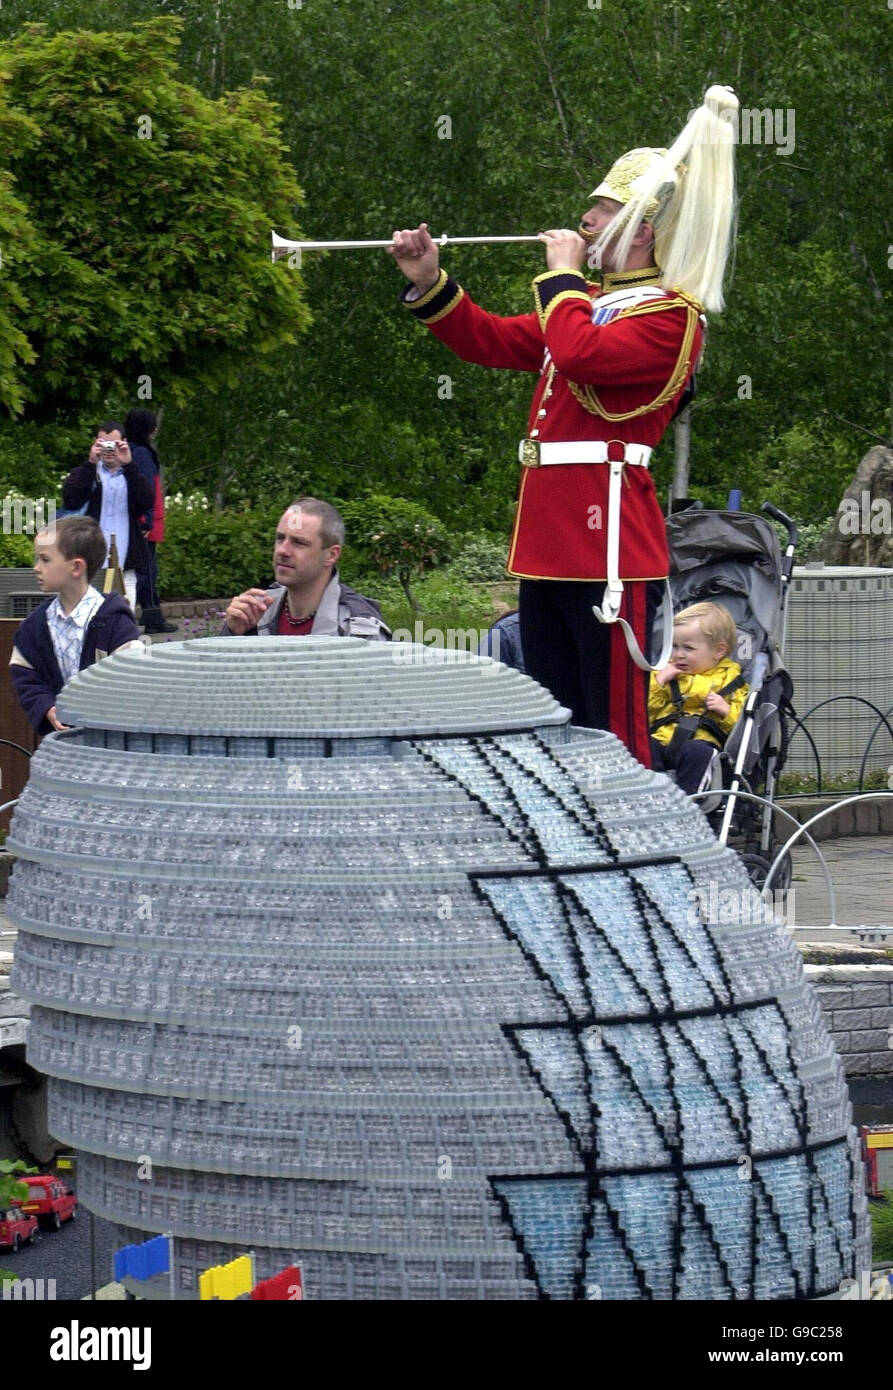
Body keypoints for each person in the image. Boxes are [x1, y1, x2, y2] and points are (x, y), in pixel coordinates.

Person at [390, 85, 739, 764]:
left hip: (608, 549)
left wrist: (561, 276)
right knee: (551, 722)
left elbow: (580, 353)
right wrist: (430, 280)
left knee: (610, 729)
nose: (582, 221)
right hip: (552, 545)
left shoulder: (671, 316)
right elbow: (487, 340)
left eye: (599, 211)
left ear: (640, 229)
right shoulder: (585, 306)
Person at [9, 516, 144, 735]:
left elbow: (133, 678)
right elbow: (24, 673)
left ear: (76, 567)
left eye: (45, 559)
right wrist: (46, 707)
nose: (36, 567)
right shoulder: (36, 625)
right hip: (57, 744)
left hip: (107, 743)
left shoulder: (115, 622)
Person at [222, 497, 391, 639]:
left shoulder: (358, 628)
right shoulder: (257, 612)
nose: (282, 550)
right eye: (280, 538)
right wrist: (233, 633)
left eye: (299, 543)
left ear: (331, 555)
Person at [648, 602, 749, 794]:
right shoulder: (664, 673)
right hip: (662, 737)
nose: (679, 655)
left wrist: (726, 710)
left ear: (718, 651)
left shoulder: (731, 680)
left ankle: (690, 801)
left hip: (702, 740)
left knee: (700, 754)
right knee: (643, 748)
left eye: (688, 648)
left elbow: (744, 727)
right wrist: (659, 683)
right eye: (674, 646)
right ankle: (651, 799)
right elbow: (645, 713)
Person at [61, 421, 154, 612]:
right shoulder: (86, 473)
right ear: (96, 443)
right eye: (104, 444)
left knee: (124, 616)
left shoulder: (131, 475)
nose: (109, 450)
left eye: (114, 444)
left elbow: (146, 502)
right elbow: (71, 500)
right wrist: (91, 464)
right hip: (89, 565)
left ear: (124, 443)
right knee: (87, 617)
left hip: (124, 563)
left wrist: (129, 465)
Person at [124, 407, 177, 634]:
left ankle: (148, 614)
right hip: (144, 520)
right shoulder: (142, 454)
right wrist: (146, 520)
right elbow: (145, 488)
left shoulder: (129, 450)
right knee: (146, 569)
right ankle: (151, 615)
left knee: (142, 569)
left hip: (136, 519)